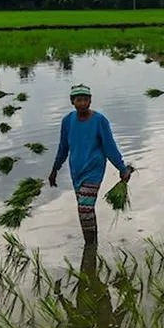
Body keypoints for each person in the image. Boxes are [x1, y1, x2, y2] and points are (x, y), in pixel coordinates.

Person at [48, 83, 132, 244]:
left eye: (85, 100)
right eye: (78, 100)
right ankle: (93, 242)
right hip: (76, 171)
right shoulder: (67, 121)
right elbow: (63, 147)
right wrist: (55, 169)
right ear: (72, 101)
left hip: (94, 170)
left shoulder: (100, 120)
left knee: (84, 210)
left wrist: (122, 168)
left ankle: (90, 248)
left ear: (90, 101)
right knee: (85, 209)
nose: (82, 104)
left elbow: (110, 147)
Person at [54, 242, 135, 328]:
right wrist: (128, 299)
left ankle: (91, 240)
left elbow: (71, 314)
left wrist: (60, 296)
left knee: (88, 264)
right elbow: (118, 318)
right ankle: (91, 240)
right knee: (89, 262)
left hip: (91, 295)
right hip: (100, 296)